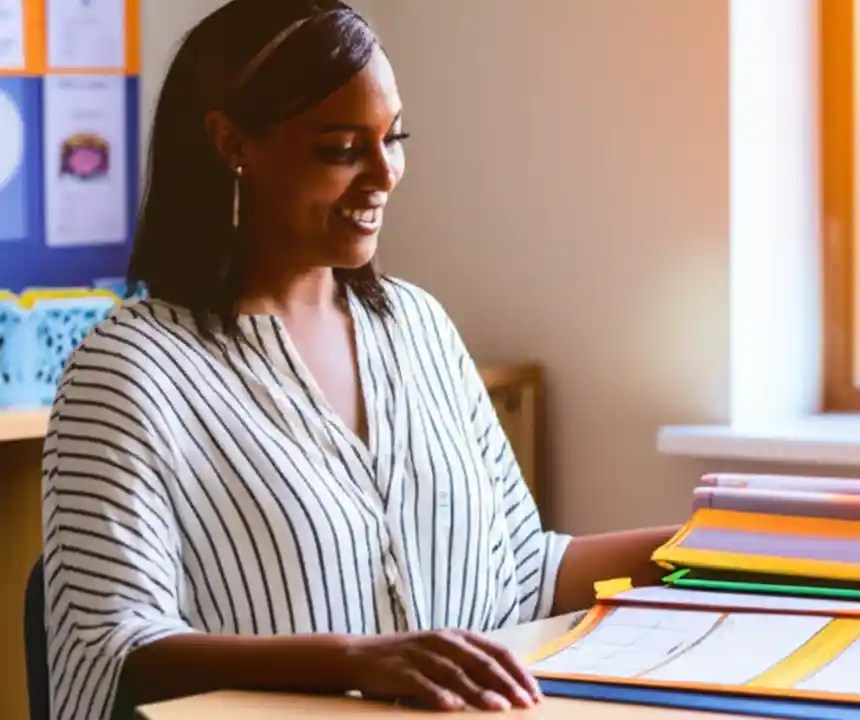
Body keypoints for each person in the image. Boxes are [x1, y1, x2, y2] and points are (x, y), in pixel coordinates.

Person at [40, 2, 676, 718]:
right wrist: (356, 660)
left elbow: (524, 572)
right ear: (231, 142)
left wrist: (738, 540)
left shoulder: (419, 327)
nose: (385, 173)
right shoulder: (129, 369)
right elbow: (116, 651)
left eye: (394, 137)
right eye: (342, 148)